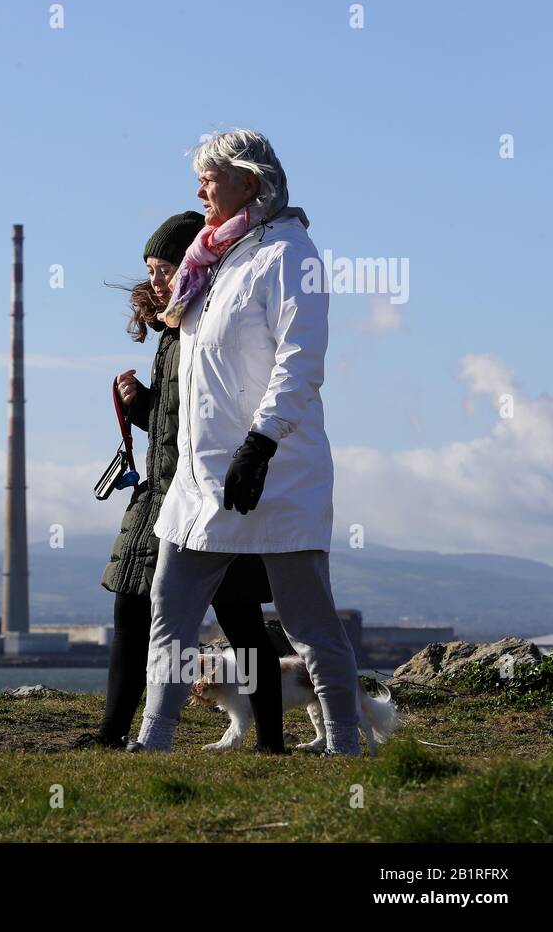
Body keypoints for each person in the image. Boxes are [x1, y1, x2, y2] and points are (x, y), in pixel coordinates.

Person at [133, 129, 362, 756]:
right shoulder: (220, 257)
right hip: (203, 473)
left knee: (309, 620)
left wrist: (260, 444)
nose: (199, 188)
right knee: (170, 608)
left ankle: (344, 740)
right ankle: (153, 739)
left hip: (276, 472)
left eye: (211, 177)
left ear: (250, 184)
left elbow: (300, 360)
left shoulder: (291, 254)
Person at [76, 212, 284, 752]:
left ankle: (271, 741)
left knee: (241, 624)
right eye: (150, 268)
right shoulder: (172, 327)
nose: (158, 279)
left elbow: (217, 417)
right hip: (159, 495)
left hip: (210, 496)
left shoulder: (210, 325)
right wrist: (141, 405)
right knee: (130, 611)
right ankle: (111, 734)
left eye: (165, 266)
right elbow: (175, 420)